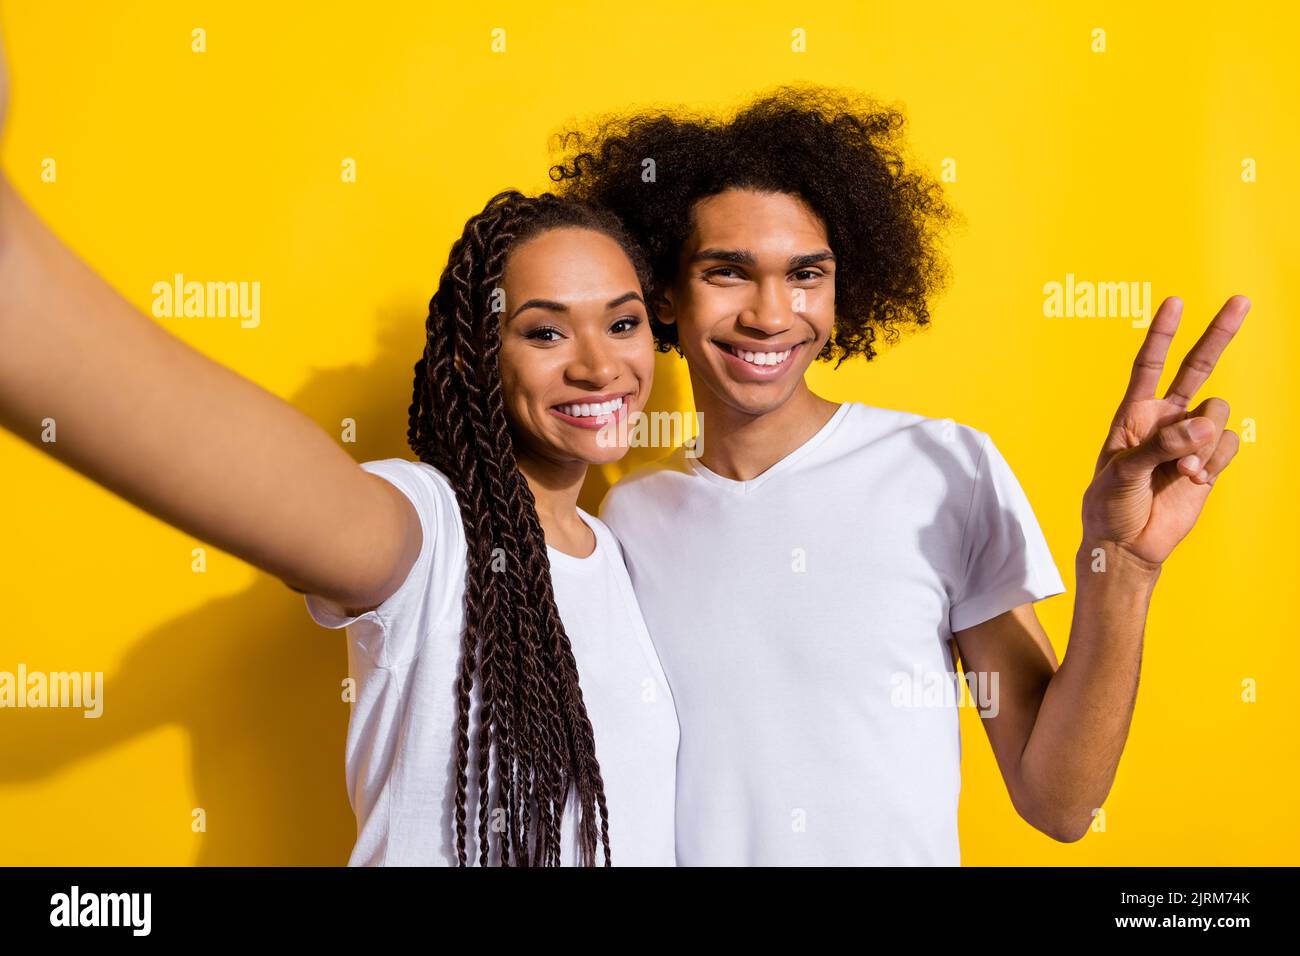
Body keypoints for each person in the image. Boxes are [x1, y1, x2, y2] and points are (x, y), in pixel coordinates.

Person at [0, 35, 677, 866]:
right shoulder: (433, 531)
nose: (600, 364)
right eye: (543, 330)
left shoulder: (618, 555)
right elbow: (254, 468)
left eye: (623, 322)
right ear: (474, 358)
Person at [550, 86, 1247, 865]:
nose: (772, 314)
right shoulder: (629, 513)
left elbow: (1059, 803)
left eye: (806, 274)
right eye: (729, 273)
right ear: (666, 293)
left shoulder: (942, 468)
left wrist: (1124, 567)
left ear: (843, 289)